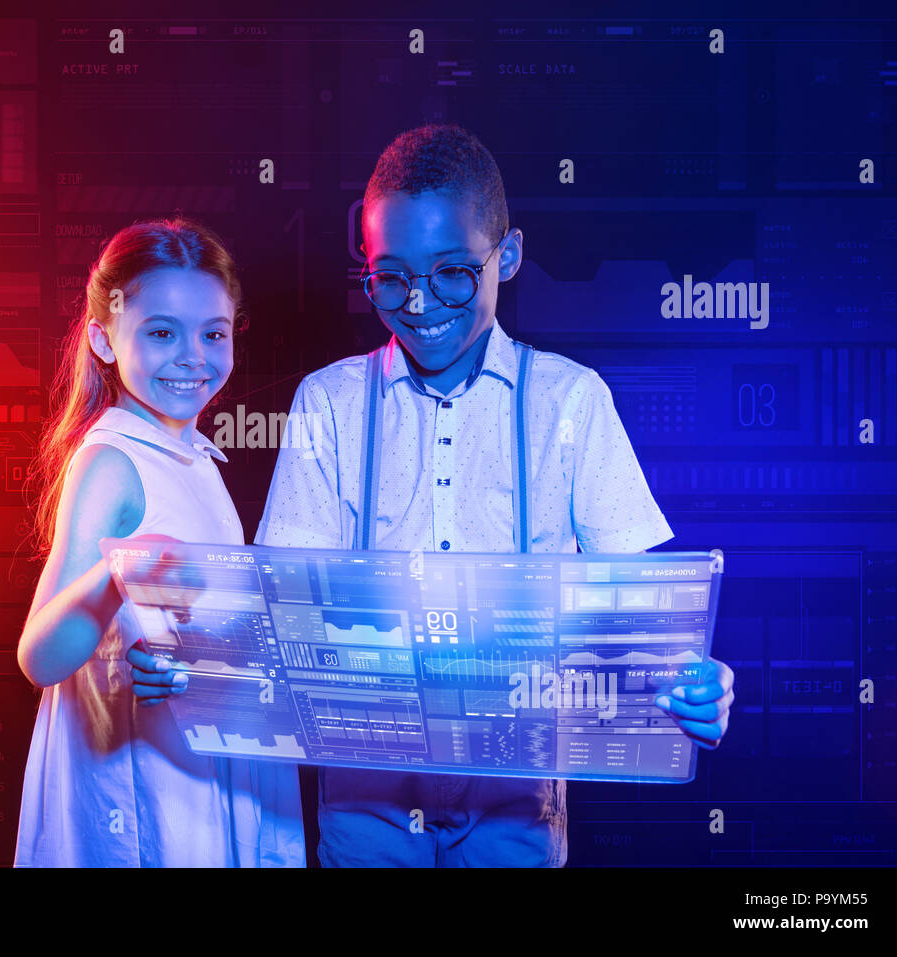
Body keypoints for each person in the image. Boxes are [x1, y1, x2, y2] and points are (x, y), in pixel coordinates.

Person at [147, 123, 731, 866]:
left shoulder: (572, 400)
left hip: (517, 810)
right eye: (390, 277)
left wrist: (702, 681)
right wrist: (185, 659)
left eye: (453, 272)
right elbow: (279, 613)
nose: (419, 302)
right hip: (366, 808)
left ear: (507, 256)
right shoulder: (328, 402)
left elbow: (654, 614)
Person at [14, 217, 305, 867]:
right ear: (104, 338)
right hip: (144, 793)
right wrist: (118, 573)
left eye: (214, 333)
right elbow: (39, 655)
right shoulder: (110, 461)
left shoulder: (195, 456)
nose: (193, 356)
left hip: (194, 767)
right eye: (162, 332)